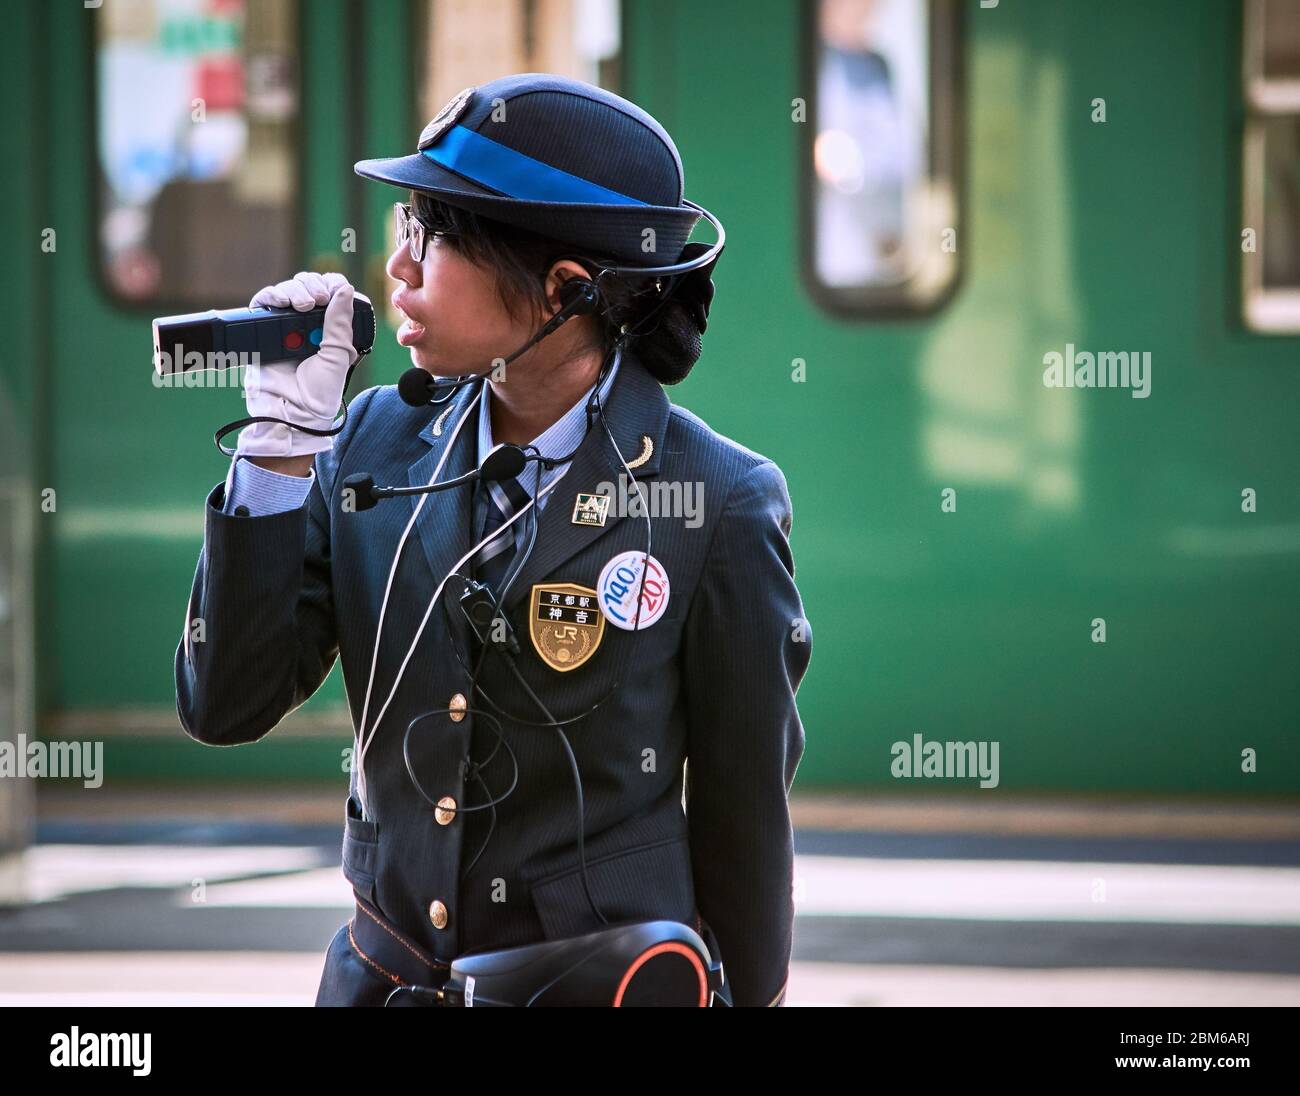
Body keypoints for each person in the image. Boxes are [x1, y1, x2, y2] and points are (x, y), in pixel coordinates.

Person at [175, 72, 812, 1007]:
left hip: (594, 987)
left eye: (430, 239)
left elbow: (744, 816)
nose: (397, 269)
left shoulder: (719, 499)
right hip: (382, 984)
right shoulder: (364, 443)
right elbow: (223, 703)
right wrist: (275, 456)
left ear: (564, 289)